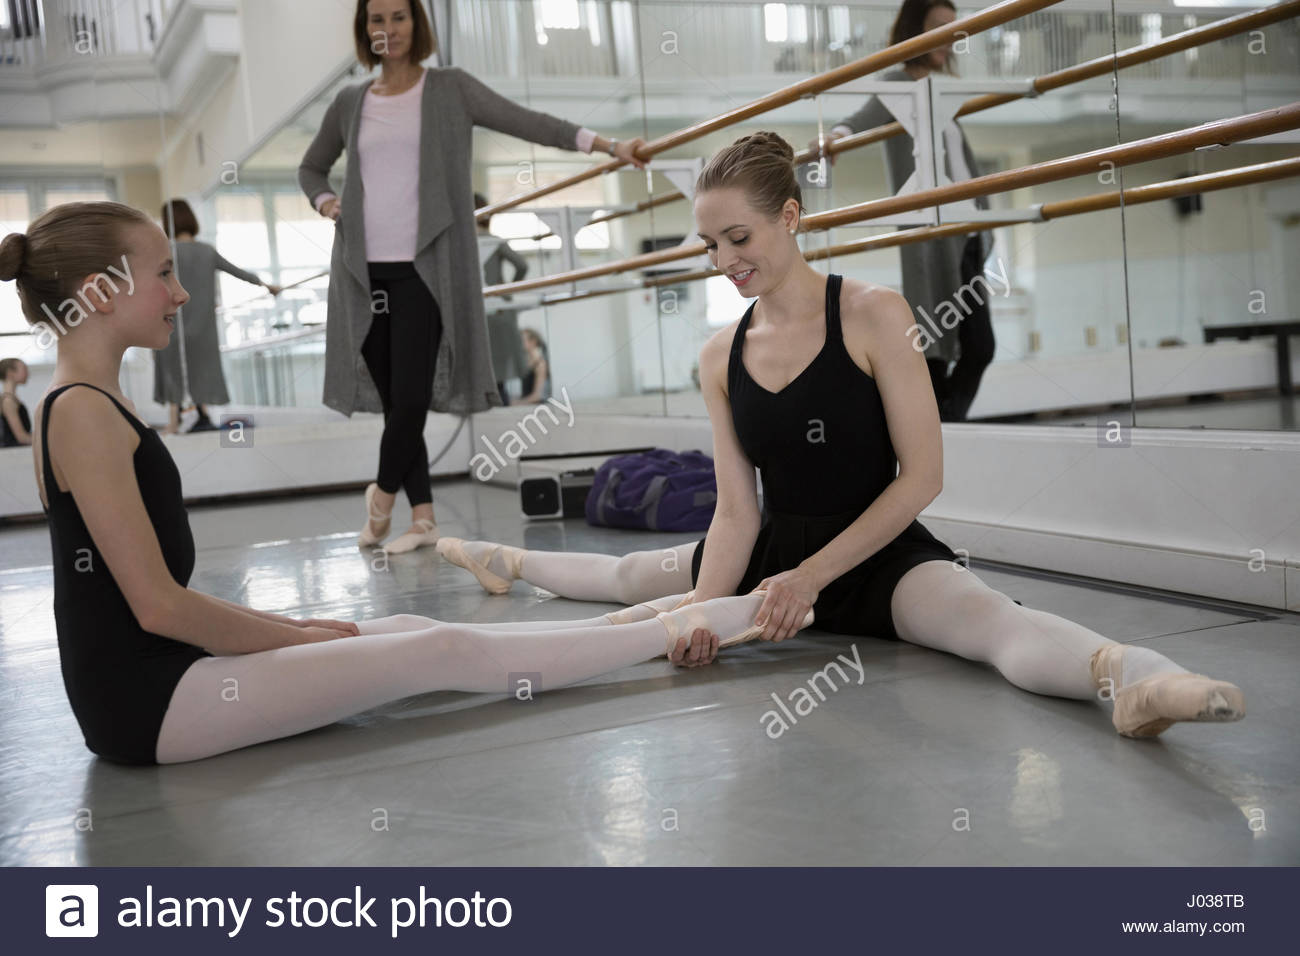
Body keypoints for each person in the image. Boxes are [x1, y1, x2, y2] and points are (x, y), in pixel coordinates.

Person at [436, 131, 1247, 740]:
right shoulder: (718, 356)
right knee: (630, 584)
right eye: (710, 244)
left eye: (740, 238)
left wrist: (808, 580)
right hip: (766, 557)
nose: (724, 260)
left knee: (990, 623)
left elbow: (921, 476)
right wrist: (709, 611)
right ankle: (505, 559)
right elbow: (734, 512)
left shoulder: (873, 315)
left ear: (790, 217)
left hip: (871, 554)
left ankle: (1137, 679)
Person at [0, 200, 779, 765]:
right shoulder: (83, 414)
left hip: (163, 681)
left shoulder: (88, 405)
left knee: (407, 631)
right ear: (99, 292)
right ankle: (673, 628)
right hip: (146, 706)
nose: (181, 292)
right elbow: (156, 604)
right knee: (432, 650)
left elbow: (156, 598)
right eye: (164, 274)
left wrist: (283, 629)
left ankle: (636, 621)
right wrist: (292, 634)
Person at [298, 0, 648, 554]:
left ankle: (381, 498)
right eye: (376, 20)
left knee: (411, 398)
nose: (387, 28)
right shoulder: (350, 102)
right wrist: (326, 203)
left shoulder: (450, 89)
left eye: (398, 16)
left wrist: (607, 145)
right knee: (396, 405)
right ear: (365, 31)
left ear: (418, 23)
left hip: (426, 270)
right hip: (364, 274)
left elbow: (529, 122)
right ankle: (425, 521)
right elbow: (311, 166)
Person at [811, 0, 995, 422]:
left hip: (968, 230)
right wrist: (835, 137)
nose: (949, 39)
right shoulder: (899, 80)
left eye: (954, 29)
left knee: (977, 345)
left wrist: (986, 215)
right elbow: (863, 116)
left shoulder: (938, 88)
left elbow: (961, 160)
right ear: (916, 31)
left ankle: (943, 425)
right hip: (933, 234)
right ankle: (937, 430)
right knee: (937, 340)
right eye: (938, 28)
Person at [154, 199, 282, 434]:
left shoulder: (166, 253)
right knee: (201, 369)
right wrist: (267, 285)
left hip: (172, 322)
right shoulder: (206, 251)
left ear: (167, 222)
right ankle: (202, 414)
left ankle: (174, 421)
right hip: (203, 327)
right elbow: (239, 272)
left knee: (175, 367)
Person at [474, 192, 531, 406]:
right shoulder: (494, 241)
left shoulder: (462, 243)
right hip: (499, 310)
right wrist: (507, 292)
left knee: (481, 374)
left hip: (476, 312)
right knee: (499, 380)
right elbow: (522, 265)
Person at [513, 327, 551, 405]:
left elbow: (537, 396)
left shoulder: (540, 364)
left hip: (538, 407)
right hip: (529, 405)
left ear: (533, 342)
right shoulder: (527, 363)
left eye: (521, 340)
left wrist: (516, 402)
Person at [1, 357, 32, 446]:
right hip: (13, 454)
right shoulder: (8, 401)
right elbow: (22, 438)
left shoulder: (12, 399)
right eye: (24, 369)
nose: (28, 374)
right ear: (10, 373)